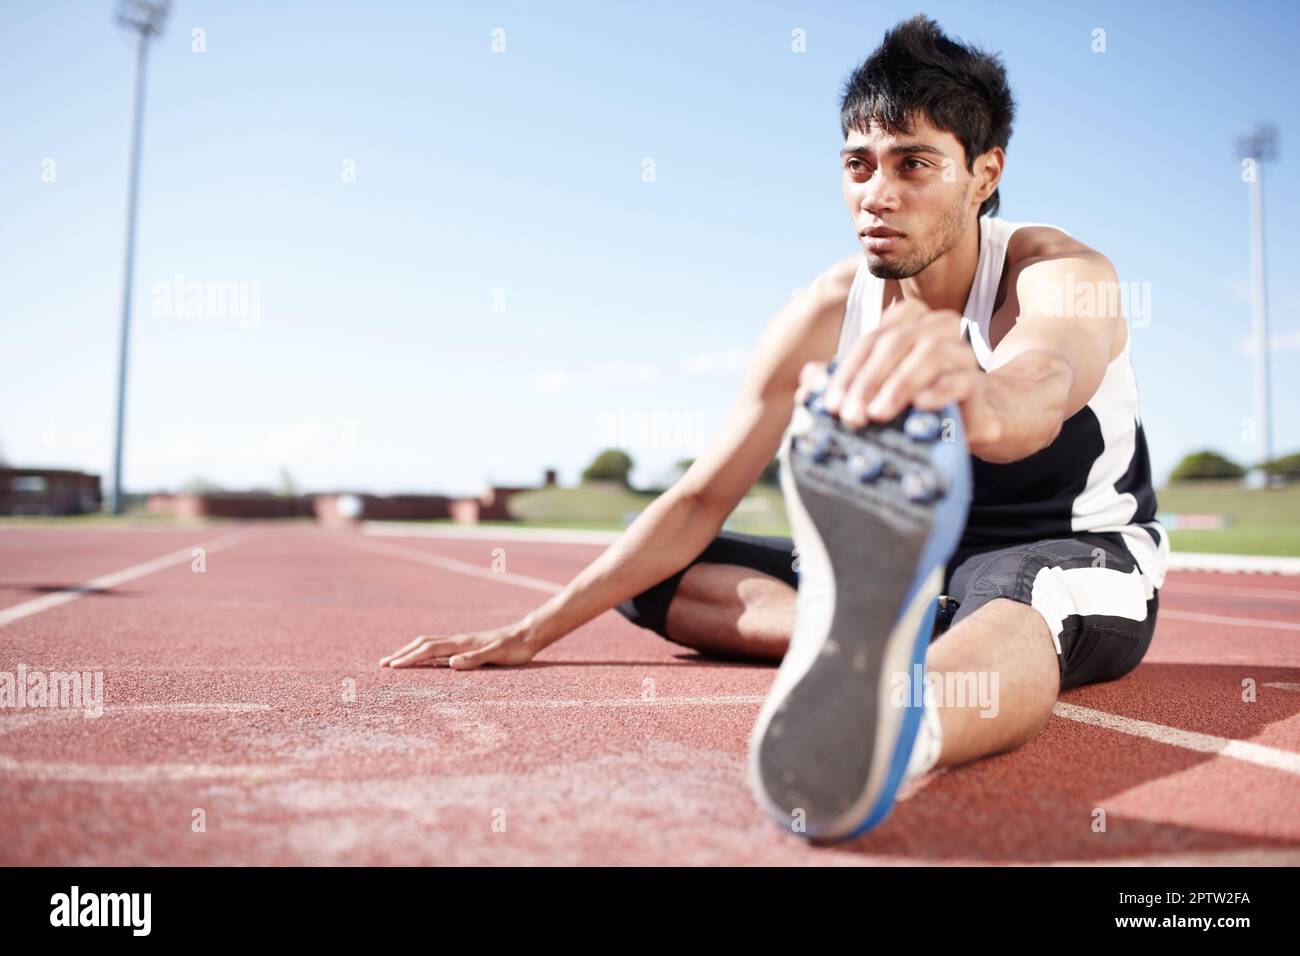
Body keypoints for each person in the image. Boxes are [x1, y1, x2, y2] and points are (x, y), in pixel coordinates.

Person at [380, 14, 1167, 841]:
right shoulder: (826, 311)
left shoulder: (1060, 274)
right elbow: (697, 499)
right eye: (858, 166)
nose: (878, 194)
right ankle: (894, 625)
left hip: (1077, 552)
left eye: (914, 165)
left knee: (1022, 592)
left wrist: (974, 390)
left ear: (983, 173)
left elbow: (1038, 394)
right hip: (920, 574)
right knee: (657, 577)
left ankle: (899, 726)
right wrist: (530, 631)